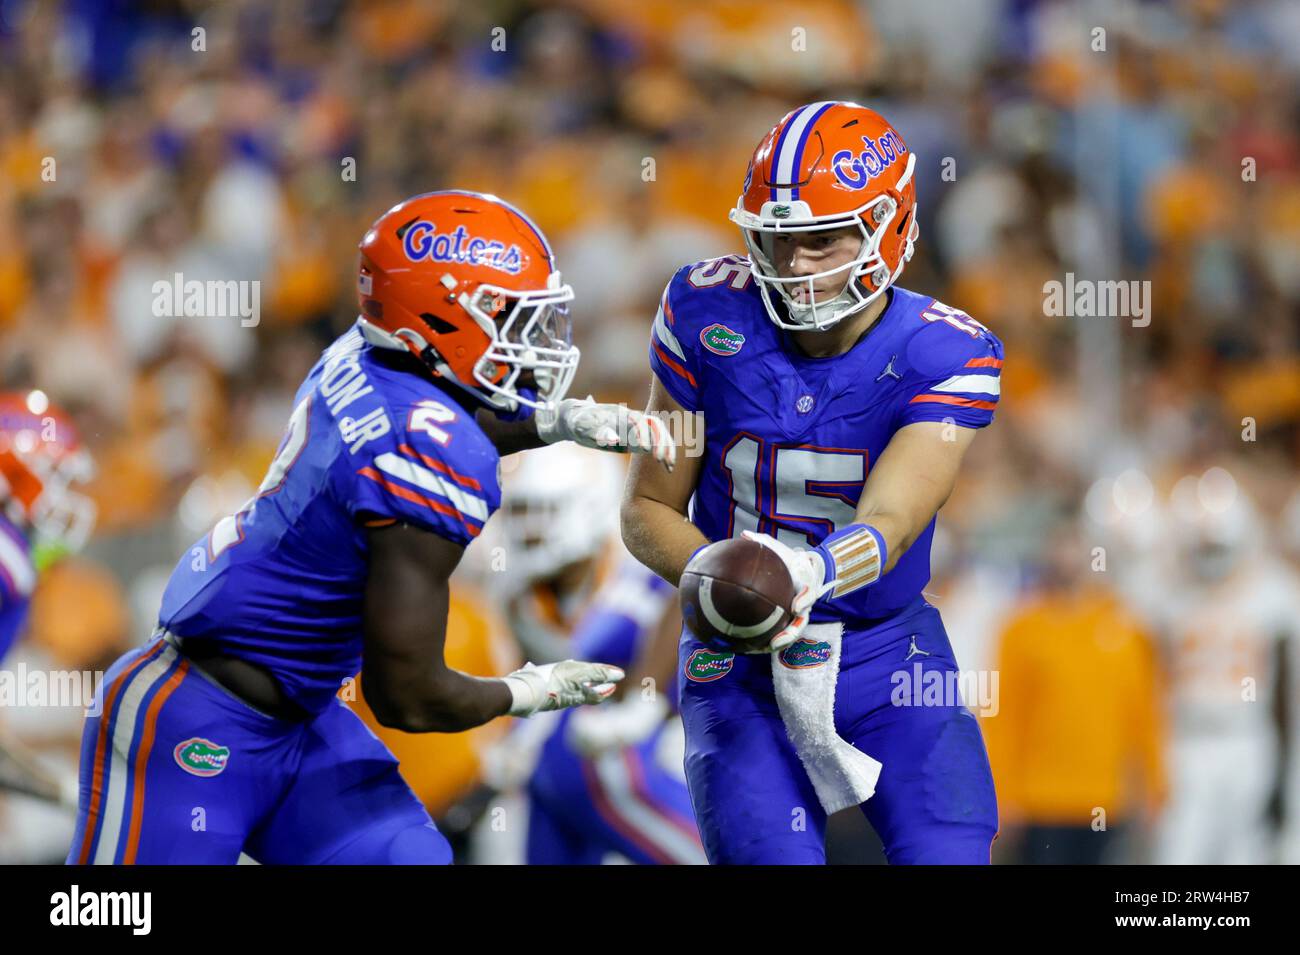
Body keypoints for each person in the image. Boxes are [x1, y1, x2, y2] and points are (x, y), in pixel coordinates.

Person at [66, 190, 675, 865]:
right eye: (509, 316)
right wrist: (529, 690)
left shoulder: (364, 349)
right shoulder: (429, 456)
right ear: (436, 321)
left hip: (303, 716)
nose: (534, 341)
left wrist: (554, 421)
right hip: (196, 715)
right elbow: (407, 695)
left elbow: (432, 413)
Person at [622, 102, 1003, 864]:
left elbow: (893, 516)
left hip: (885, 648)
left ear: (887, 228)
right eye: (777, 237)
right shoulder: (704, 311)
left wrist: (805, 573)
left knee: (951, 846)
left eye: (818, 240)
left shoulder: (944, 350)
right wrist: (722, 580)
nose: (792, 262)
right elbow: (648, 506)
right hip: (735, 659)